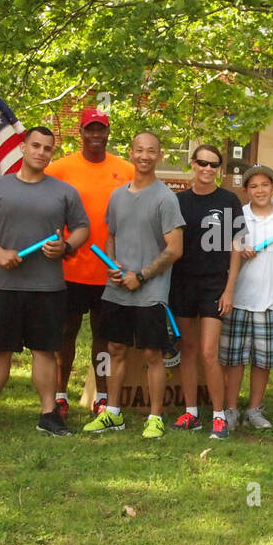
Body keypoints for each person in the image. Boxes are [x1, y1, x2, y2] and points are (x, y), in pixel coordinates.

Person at [0, 126, 90, 436]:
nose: (41, 152)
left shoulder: (63, 192)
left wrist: (66, 246)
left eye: (47, 148)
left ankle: (49, 413)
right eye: (35, 146)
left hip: (47, 288)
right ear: (22, 148)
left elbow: (82, 228)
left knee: (46, 351)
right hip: (2, 286)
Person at [82, 131, 184, 439]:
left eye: (151, 151)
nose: (144, 156)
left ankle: (155, 417)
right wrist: (113, 267)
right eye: (139, 150)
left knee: (153, 354)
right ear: (131, 152)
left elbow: (175, 249)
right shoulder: (117, 196)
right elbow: (111, 236)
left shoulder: (165, 198)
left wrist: (140, 276)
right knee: (115, 349)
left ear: (159, 155)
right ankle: (113, 413)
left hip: (150, 291)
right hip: (117, 290)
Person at [47, 106, 134, 419]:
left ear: (108, 132)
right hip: (69, 268)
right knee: (65, 333)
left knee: (104, 338)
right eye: (90, 129)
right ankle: (59, 395)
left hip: (109, 270)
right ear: (80, 132)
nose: (96, 135)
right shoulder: (60, 168)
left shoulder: (126, 170)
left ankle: (101, 395)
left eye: (101, 129)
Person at [170, 144, 244, 439]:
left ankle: (219, 416)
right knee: (187, 350)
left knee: (209, 352)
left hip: (214, 284)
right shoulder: (177, 201)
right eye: (202, 163)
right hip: (182, 283)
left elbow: (236, 248)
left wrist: (229, 290)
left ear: (220, 169)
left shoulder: (228, 200)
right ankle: (191, 413)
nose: (207, 169)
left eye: (213, 165)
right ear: (193, 164)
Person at [219, 164, 273, 430]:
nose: (260, 191)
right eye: (253, 186)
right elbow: (224, 258)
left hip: (270, 302)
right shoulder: (238, 217)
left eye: (265, 185)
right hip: (239, 299)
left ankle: (254, 409)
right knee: (234, 359)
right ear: (246, 190)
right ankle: (230, 408)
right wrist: (238, 250)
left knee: (262, 361)